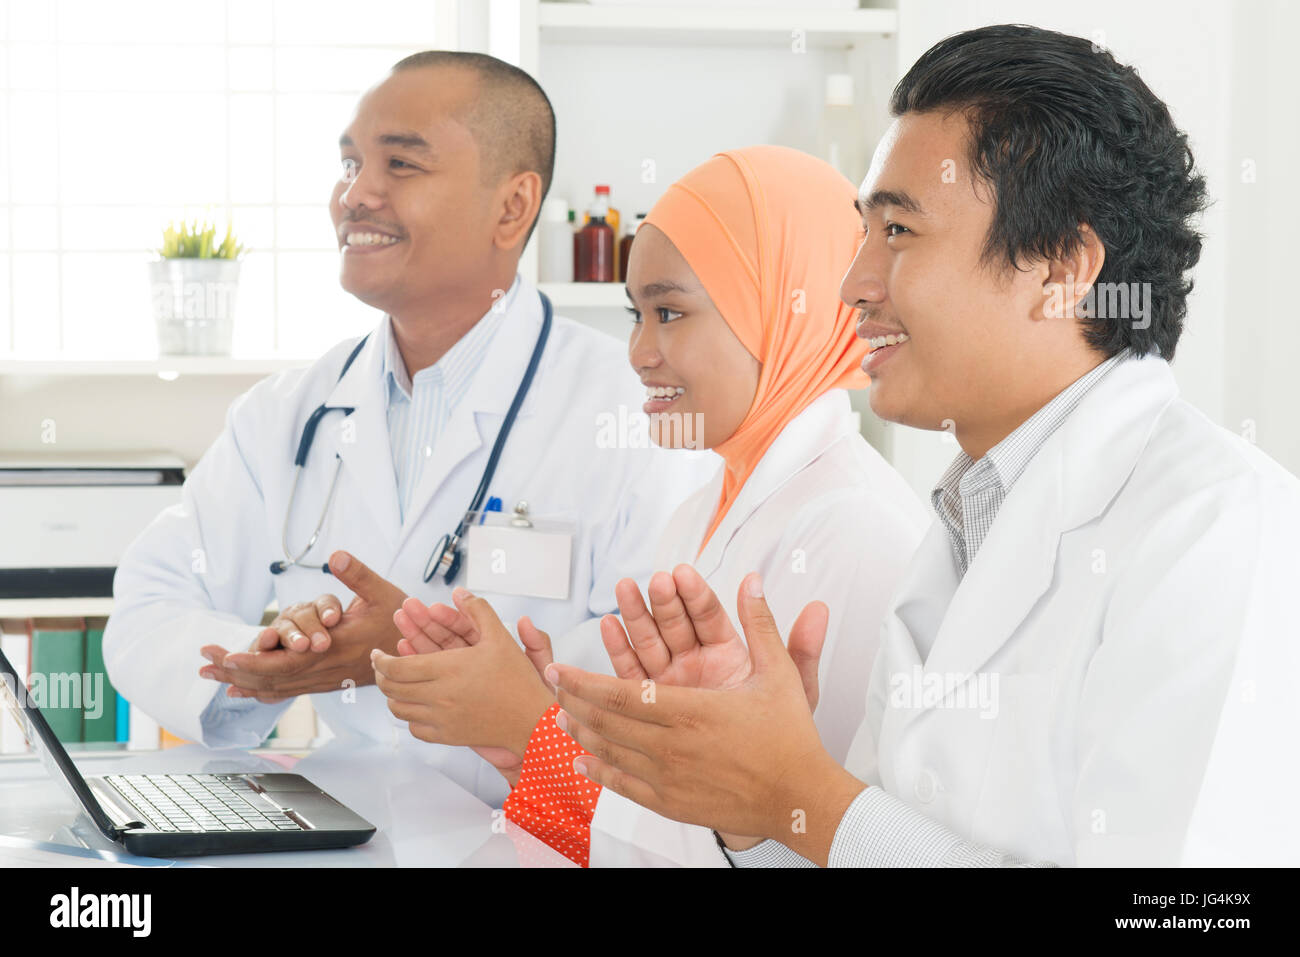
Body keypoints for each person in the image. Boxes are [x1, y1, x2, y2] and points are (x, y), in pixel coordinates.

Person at [541, 24, 1300, 866]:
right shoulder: (965, 518)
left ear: (1060, 267)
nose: (853, 285)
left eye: (897, 232)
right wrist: (755, 809)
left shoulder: (1220, 526)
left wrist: (802, 794)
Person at [103, 51, 711, 804]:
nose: (355, 194)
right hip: (338, 827)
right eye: (351, 162)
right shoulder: (291, 412)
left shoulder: (637, 414)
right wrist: (266, 658)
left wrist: (411, 649)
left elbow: (653, 683)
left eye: (401, 164)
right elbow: (149, 599)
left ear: (511, 207)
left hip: (539, 833)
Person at [372, 145, 930, 866]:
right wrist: (532, 731)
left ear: (778, 311)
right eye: (634, 313)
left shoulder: (853, 527)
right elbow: (660, 812)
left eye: (669, 312)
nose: (637, 351)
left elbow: (804, 841)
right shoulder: (698, 514)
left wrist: (526, 718)